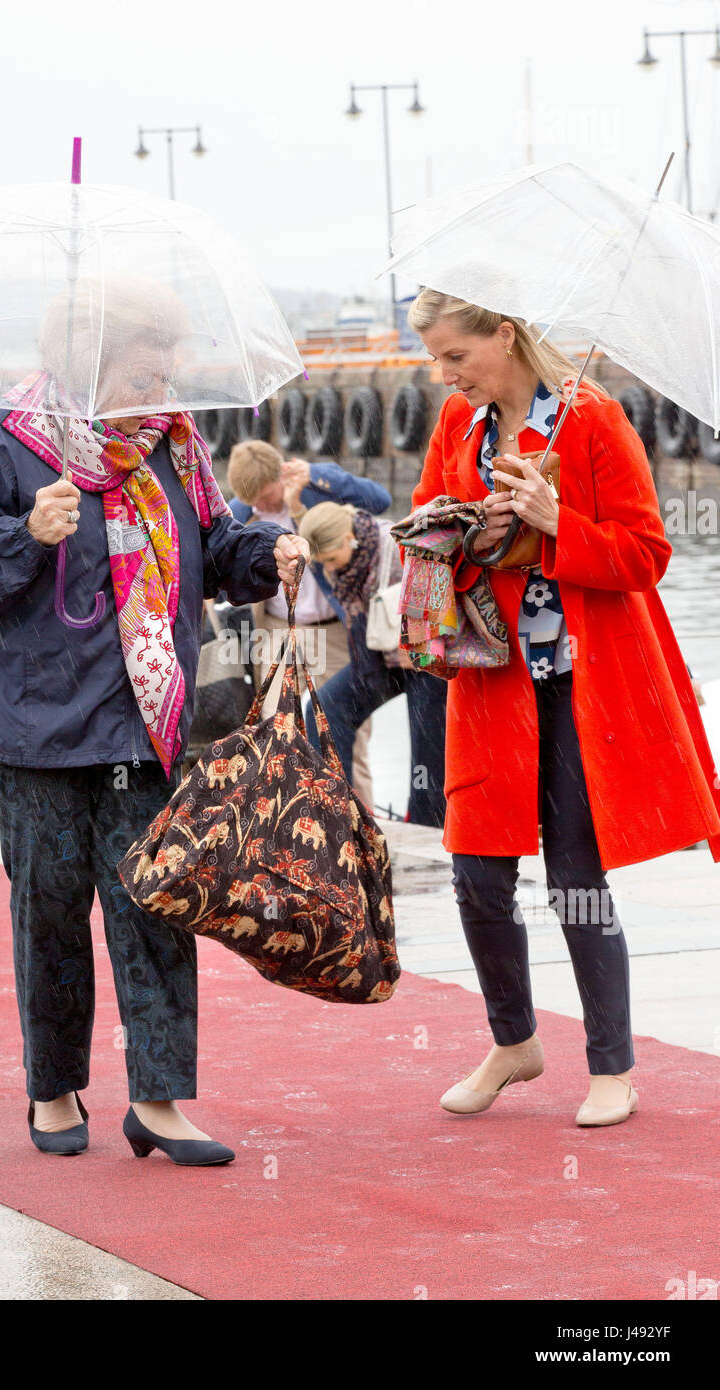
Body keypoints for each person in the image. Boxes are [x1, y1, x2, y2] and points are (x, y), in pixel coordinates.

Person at [0, 277, 309, 1165]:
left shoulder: (172, 444)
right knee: (50, 908)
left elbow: (216, 540)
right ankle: (53, 1089)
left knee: (155, 903)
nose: (157, 393)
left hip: (142, 722)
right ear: (80, 365)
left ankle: (158, 1100)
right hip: (32, 729)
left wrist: (265, 550)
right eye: (139, 376)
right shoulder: (3, 441)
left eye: (164, 373)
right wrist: (24, 534)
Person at [408, 288, 720, 1126]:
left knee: (576, 880)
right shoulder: (456, 425)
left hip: (581, 687)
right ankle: (514, 1043)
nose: (444, 376)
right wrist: (461, 523)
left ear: (502, 337)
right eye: (436, 360)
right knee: (476, 873)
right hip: (489, 679)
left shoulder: (592, 418)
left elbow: (645, 555)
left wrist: (553, 522)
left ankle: (611, 1066)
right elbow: (431, 523)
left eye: (455, 357)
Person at [227, 438, 392, 809]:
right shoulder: (238, 512)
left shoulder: (317, 485)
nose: (266, 507)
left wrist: (316, 477)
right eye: (258, 504)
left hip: (334, 629)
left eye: (270, 498)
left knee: (345, 730)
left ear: (281, 474)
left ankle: (357, 822)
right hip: (276, 631)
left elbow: (380, 500)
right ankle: (291, 820)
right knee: (276, 731)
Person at [298, 500, 447, 827]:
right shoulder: (341, 560)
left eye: (331, 561)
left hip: (421, 656)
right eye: (321, 565)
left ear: (348, 537)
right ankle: (335, 809)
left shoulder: (394, 545)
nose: (328, 571)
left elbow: (430, 588)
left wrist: (418, 644)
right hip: (378, 656)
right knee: (324, 709)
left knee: (426, 753)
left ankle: (428, 826)